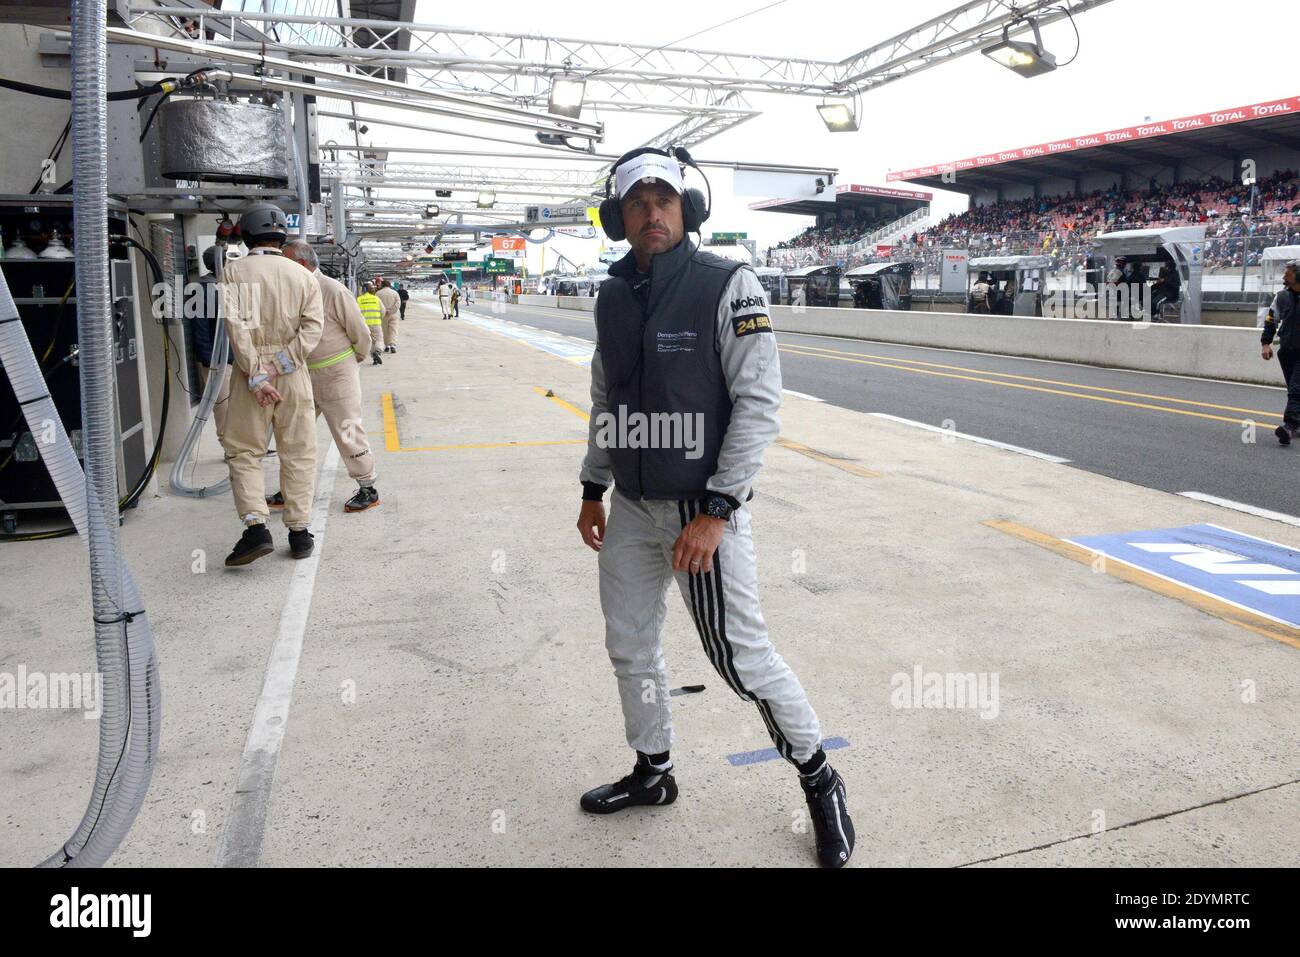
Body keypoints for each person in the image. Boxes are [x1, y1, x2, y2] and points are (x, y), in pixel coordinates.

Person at [575, 147, 854, 868]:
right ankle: (654, 768)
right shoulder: (610, 295)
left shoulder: (728, 283)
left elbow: (760, 404)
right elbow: (607, 398)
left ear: (687, 208)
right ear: (621, 217)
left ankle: (821, 778)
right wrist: (591, 486)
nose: (653, 212)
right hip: (632, 507)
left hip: (705, 506)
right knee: (629, 644)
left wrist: (719, 509)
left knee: (742, 661)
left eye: (664, 199)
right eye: (638, 203)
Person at [218, 203, 324, 566]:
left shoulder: (235, 272)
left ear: (246, 234)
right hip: (293, 375)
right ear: (282, 236)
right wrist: (280, 365)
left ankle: (255, 527)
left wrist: (258, 374)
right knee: (298, 450)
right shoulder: (303, 276)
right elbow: (312, 329)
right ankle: (299, 532)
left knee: (245, 450)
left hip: (252, 375)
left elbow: (238, 328)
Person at [264, 241, 381, 513]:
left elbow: (360, 332)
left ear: (303, 265)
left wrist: (357, 358)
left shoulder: (332, 290)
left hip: (336, 372)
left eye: (287, 262)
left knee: (348, 428)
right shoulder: (291, 290)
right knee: (294, 432)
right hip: (301, 373)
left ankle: (368, 487)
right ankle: (292, 487)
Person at [189, 245, 232, 442]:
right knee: (223, 404)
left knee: (236, 405)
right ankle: (229, 445)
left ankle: (243, 445)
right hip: (216, 360)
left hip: (232, 358)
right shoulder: (202, 290)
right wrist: (209, 360)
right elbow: (200, 329)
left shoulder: (227, 286)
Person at [1261, 259, 1300, 445]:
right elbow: (1271, 320)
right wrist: (1266, 343)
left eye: (1288, 273)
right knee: (1294, 389)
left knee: (1295, 389)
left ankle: (1290, 426)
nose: (1284, 276)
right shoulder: (1281, 296)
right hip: (1287, 350)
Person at [357, 281, 385, 365]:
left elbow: (355, 312)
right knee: (379, 340)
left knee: (370, 341)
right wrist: (380, 317)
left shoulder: (359, 299)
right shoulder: (376, 299)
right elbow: (383, 311)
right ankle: (377, 351)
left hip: (364, 325)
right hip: (375, 323)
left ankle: (374, 358)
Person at [376, 278, 401, 354]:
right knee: (393, 330)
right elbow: (398, 303)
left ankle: (387, 345)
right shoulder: (395, 293)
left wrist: (384, 311)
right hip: (393, 314)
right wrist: (391, 311)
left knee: (385, 330)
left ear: (382, 285)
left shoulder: (378, 293)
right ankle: (392, 344)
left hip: (383, 315)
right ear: (389, 285)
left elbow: (377, 304)